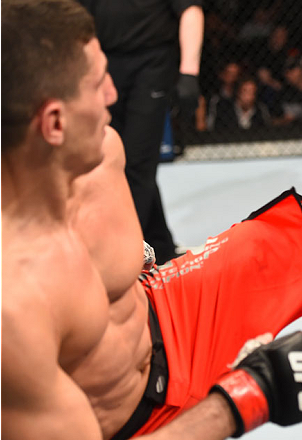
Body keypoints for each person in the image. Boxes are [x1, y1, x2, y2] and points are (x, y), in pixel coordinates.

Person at [1, 0, 302, 440]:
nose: (114, 94)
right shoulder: (12, 306)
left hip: (163, 308)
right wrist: (241, 399)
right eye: (97, 84)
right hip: (128, 431)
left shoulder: (103, 152)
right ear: (54, 123)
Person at [78, 0, 204, 264]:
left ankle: (124, 251)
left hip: (152, 62)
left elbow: (190, 10)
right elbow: (79, 21)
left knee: (138, 159)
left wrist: (189, 73)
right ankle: (161, 244)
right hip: (106, 62)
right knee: (115, 157)